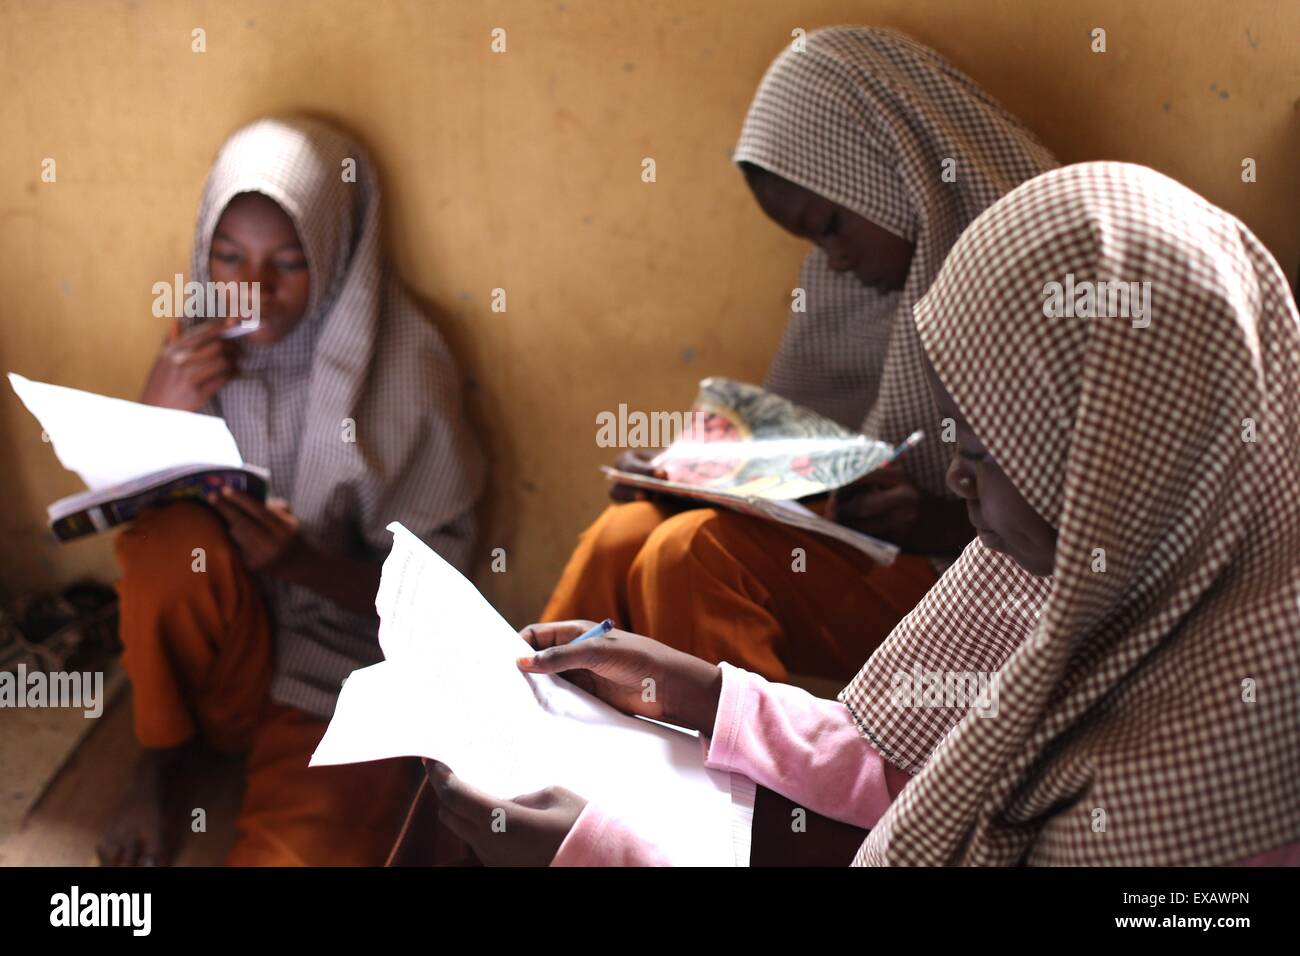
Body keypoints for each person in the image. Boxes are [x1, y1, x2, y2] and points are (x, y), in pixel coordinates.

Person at [429, 162, 1300, 866]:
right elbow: (918, 766)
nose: (957, 478)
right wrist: (704, 695)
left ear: (1111, 469)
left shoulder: (1215, 778)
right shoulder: (1085, 572)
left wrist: (612, 855)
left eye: (990, 454)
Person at [542, 26, 1057, 682]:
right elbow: (817, 467)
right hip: (880, 564)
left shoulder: (1039, 269)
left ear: (892, 169)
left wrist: (932, 518)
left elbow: (1086, 533)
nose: (834, 259)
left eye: (833, 224)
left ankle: (752, 778)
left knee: (691, 553)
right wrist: (694, 475)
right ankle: (503, 737)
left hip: (982, 590)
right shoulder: (857, 289)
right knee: (625, 534)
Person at [97, 116, 484, 867]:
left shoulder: (405, 367)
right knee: (163, 549)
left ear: (340, 254)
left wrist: (304, 564)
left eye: (289, 262)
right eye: (228, 256)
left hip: (342, 676)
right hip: (226, 668)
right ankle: (162, 759)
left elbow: (444, 610)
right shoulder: (197, 348)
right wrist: (154, 409)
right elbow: (124, 528)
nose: (252, 292)